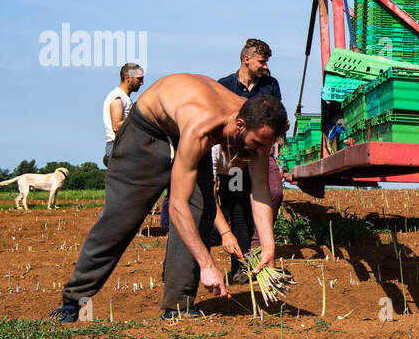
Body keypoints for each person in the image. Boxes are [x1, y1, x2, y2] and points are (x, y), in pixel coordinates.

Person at [50, 74, 288, 321]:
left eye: (266, 146)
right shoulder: (203, 125)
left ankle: (179, 306)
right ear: (239, 124)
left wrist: (268, 245)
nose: (261, 151)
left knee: (200, 211)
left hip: (182, 132)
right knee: (121, 218)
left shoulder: (259, 128)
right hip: (147, 133)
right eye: (257, 144)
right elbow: (176, 205)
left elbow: (260, 190)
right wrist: (207, 265)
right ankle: (73, 301)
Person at [217, 38, 284, 281]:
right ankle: (241, 266)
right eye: (261, 61)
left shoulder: (270, 84)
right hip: (234, 158)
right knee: (237, 206)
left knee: (273, 193)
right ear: (246, 59)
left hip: (260, 153)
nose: (265, 66)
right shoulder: (224, 85)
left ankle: (259, 248)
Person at [102, 64, 144, 167]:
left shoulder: (125, 98)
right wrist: (138, 118)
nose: (142, 83)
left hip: (123, 146)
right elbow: (116, 126)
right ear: (128, 78)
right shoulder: (118, 97)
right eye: (139, 79)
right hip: (118, 146)